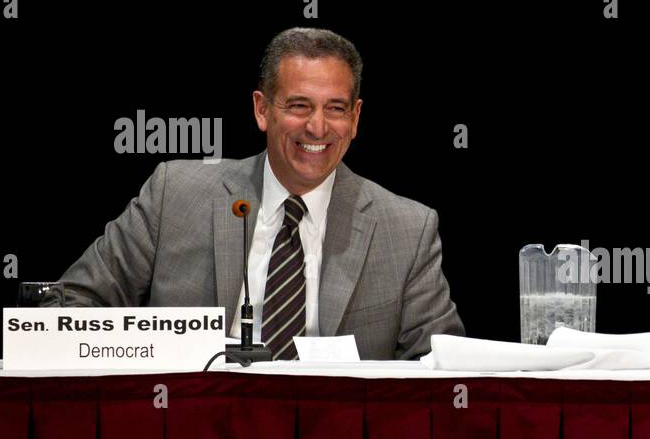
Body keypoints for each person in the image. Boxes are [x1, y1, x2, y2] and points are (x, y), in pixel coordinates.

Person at [53, 27, 464, 359]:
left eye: (335, 109)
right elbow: (69, 306)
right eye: (299, 106)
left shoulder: (407, 229)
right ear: (262, 109)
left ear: (355, 118)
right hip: (192, 433)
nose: (318, 128)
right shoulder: (174, 194)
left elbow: (440, 365)